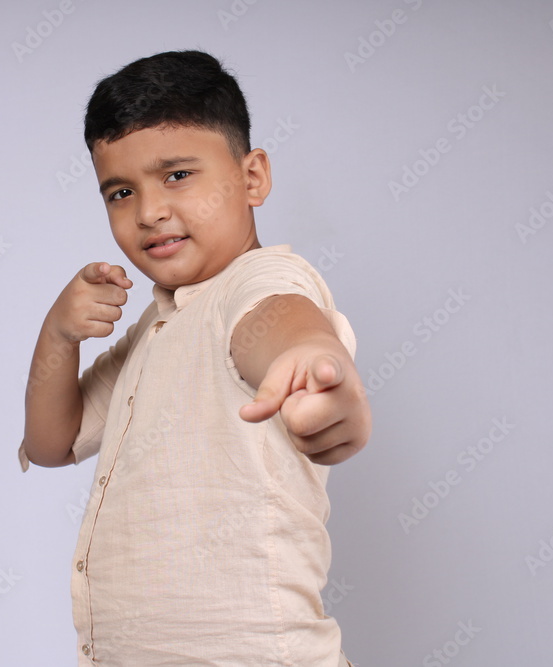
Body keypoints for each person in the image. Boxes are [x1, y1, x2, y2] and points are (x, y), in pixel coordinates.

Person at [18, 49, 371, 666]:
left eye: (178, 175)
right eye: (121, 191)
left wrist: (311, 362)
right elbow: (53, 442)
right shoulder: (158, 328)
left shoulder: (254, 282)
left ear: (253, 176)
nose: (149, 211)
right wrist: (58, 335)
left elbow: (276, 322)